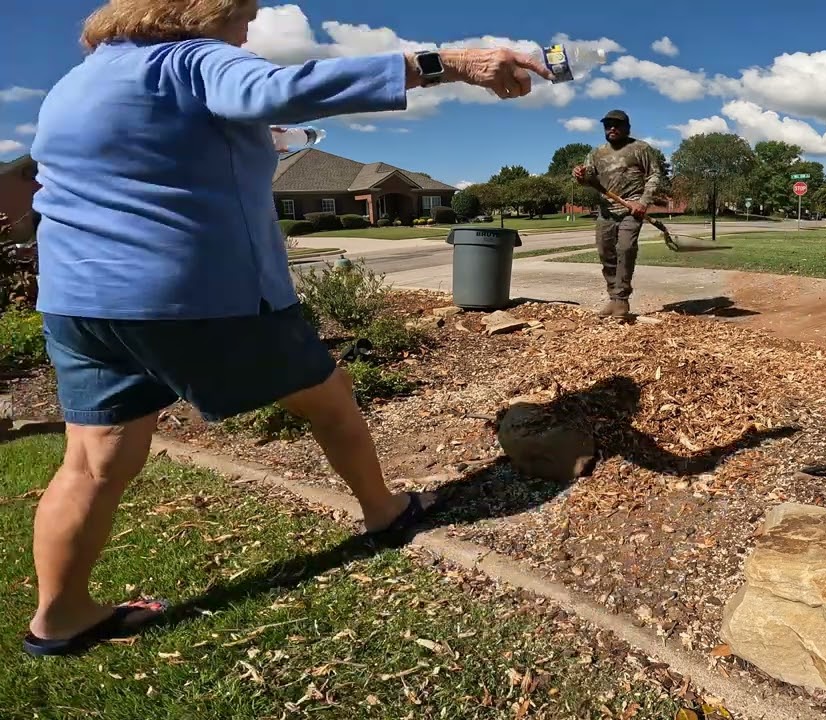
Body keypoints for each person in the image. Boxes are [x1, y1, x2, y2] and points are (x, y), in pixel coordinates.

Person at [23, 0, 551, 657]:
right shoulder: (194, 57)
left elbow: (153, 160)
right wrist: (450, 63)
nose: (247, 30)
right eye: (241, 13)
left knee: (93, 459)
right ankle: (384, 512)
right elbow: (278, 88)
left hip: (79, 302)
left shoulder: (81, 81)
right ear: (199, 11)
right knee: (330, 395)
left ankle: (61, 616)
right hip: (197, 299)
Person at [572, 110, 666, 318]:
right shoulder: (596, 154)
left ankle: (622, 300)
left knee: (625, 248)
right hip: (606, 212)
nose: (612, 128)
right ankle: (613, 298)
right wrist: (579, 175)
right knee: (607, 254)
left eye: (617, 124)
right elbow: (589, 179)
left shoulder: (640, 148)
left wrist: (643, 202)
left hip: (632, 210)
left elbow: (654, 175)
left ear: (627, 127)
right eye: (608, 125)